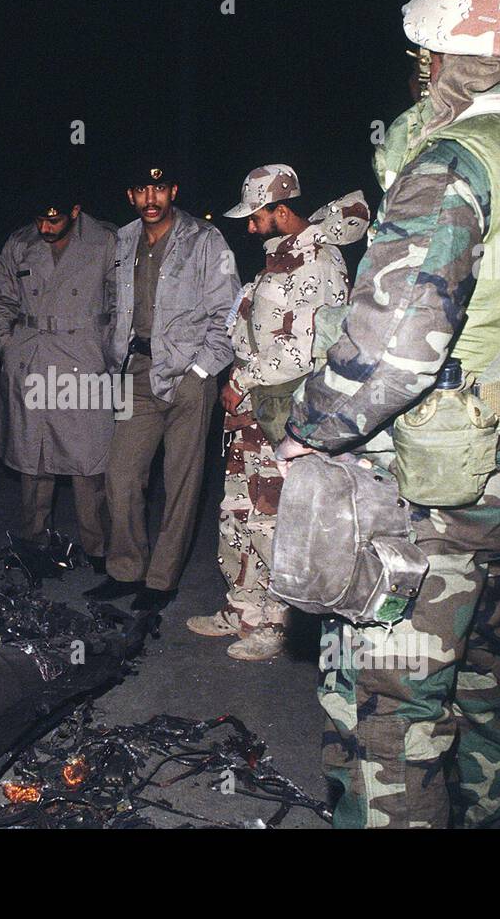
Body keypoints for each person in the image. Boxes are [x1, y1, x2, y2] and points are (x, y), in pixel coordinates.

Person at [276, 0, 500, 827]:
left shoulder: (455, 162)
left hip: (436, 488)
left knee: (390, 716)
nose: (419, 66)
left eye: (425, 51)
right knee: (496, 686)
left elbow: (393, 351)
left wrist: (310, 426)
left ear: (450, 53)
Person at [188, 165, 368, 660]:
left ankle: (277, 623)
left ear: (281, 210)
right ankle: (243, 606)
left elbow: (303, 351)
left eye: (256, 216)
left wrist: (240, 381)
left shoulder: (316, 261)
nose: (248, 226)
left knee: (272, 517)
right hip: (252, 411)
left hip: (283, 411)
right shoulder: (277, 259)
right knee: (238, 513)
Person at [85, 163, 239, 610]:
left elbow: (229, 312)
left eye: (158, 189)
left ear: (172, 190)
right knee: (122, 476)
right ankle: (126, 569)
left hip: (191, 376)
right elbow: (111, 304)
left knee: (181, 482)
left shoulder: (205, 240)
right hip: (137, 372)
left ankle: (161, 581)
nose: (150, 199)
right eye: (141, 191)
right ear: (130, 195)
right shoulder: (124, 240)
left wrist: (202, 371)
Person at [0, 187, 117, 569]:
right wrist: (9, 346)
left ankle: (100, 549)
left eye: (54, 219)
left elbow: (121, 302)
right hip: (33, 357)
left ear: (75, 210)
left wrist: (107, 352)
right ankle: (34, 541)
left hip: (85, 358)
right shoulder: (20, 242)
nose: (45, 227)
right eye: (40, 219)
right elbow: (0, 301)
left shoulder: (106, 241)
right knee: (35, 457)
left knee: (90, 461)